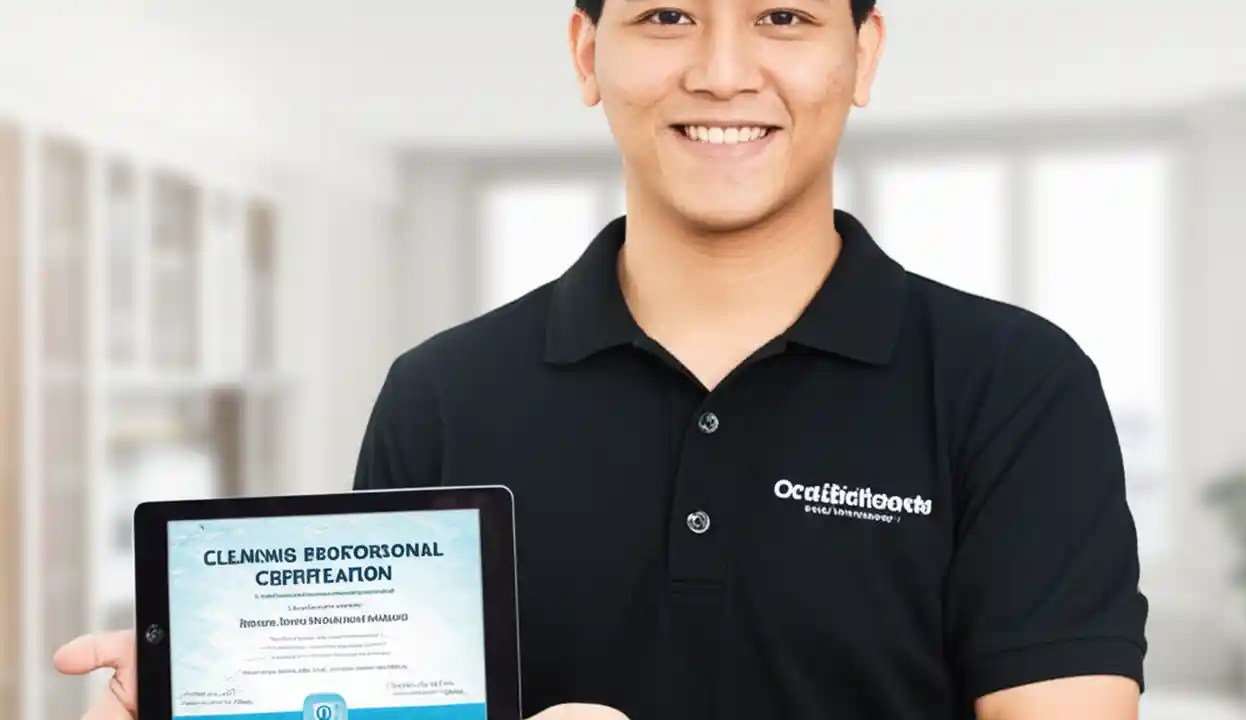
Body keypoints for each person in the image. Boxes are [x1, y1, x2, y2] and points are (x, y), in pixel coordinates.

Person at [56, 1, 1149, 718]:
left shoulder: (1014, 386)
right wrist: (248, 690)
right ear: (587, 53)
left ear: (860, 55)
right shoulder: (440, 394)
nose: (722, 73)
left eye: (781, 15)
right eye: (666, 14)